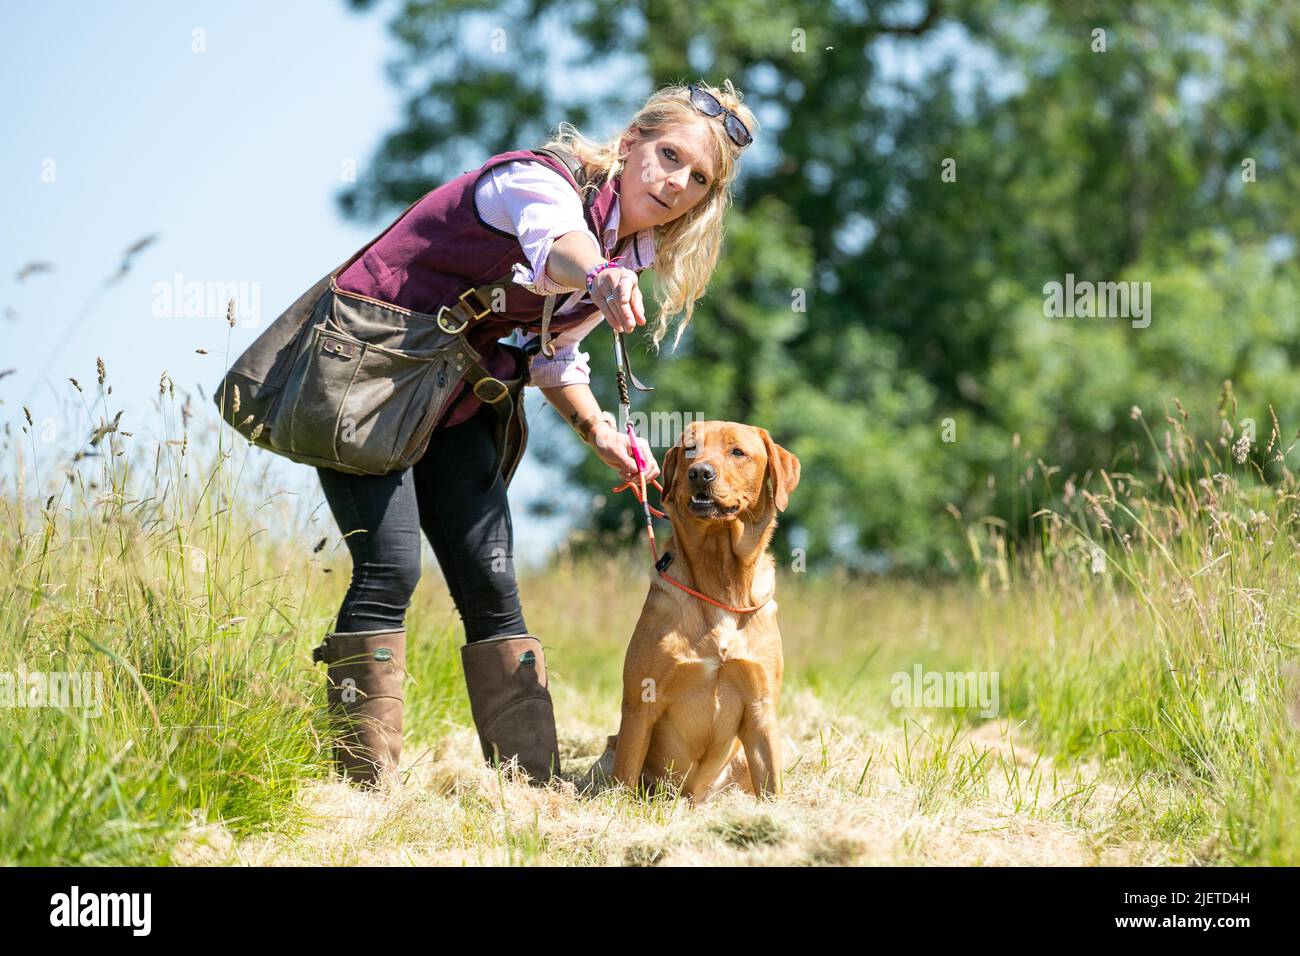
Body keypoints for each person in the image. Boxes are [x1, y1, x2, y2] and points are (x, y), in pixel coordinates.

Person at [311, 79, 758, 788]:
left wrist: (600, 433)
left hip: (454, 399)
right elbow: (557, 246)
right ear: (631, 141)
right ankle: (360, 791)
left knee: (492, 580)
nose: (677, 183)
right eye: (669, 155)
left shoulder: (632, 251)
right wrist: (602, 273)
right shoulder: (535, 183)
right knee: (390, 568)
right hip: (369, 379)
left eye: (699, 178)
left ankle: (533, 794)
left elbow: (551, 354)